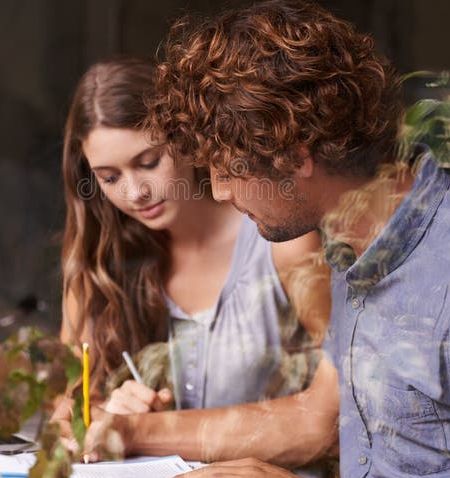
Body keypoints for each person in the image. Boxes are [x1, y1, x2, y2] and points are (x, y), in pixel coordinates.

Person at [78, 2, 450, 478]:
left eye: (227, 170)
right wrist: (131, 435)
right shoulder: (364, 239)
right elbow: (314, 419)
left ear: (296, 155)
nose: (217, 192)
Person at [59, 56, 330, 416]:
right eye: (110, 178)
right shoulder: (99, 271)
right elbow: (68, 411)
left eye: (148, 162)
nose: (135, 192)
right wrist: (111, 410)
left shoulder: (284, 243)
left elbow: (349, 399)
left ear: (185, 138)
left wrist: (156, 433)